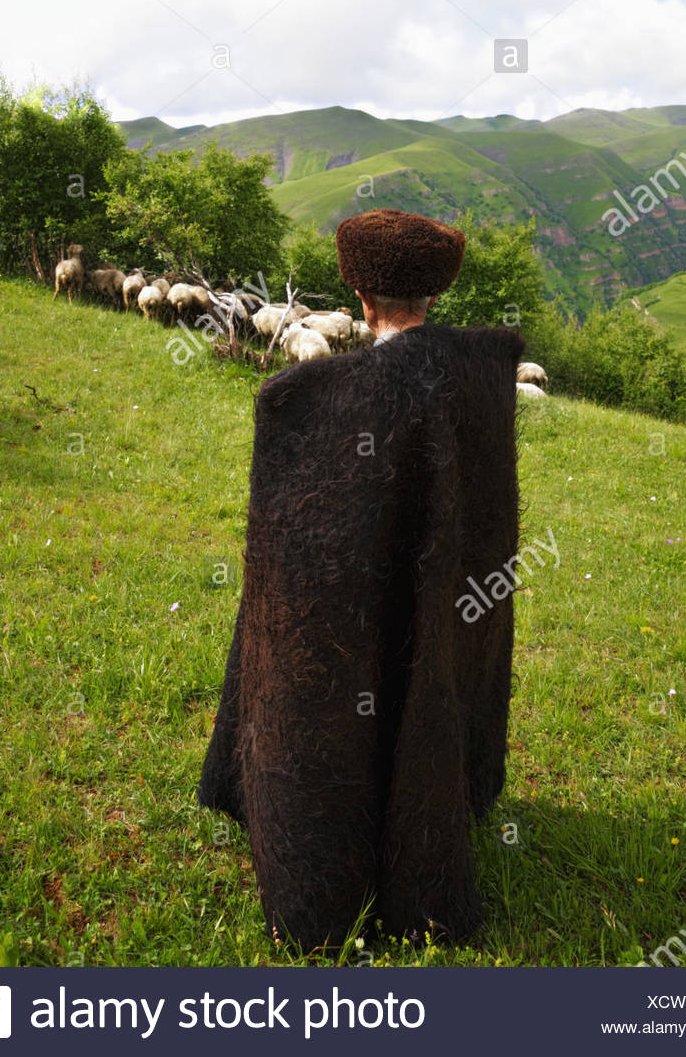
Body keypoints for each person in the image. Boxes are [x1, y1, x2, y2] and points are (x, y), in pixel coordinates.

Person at [197, 207, 524, 949]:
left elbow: (293, 568)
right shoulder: (484, 379)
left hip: (353, 622)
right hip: (448, 605)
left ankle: (331, 833)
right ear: (434, 293)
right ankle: (429, 799)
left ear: (359, 295)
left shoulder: (312, 400)